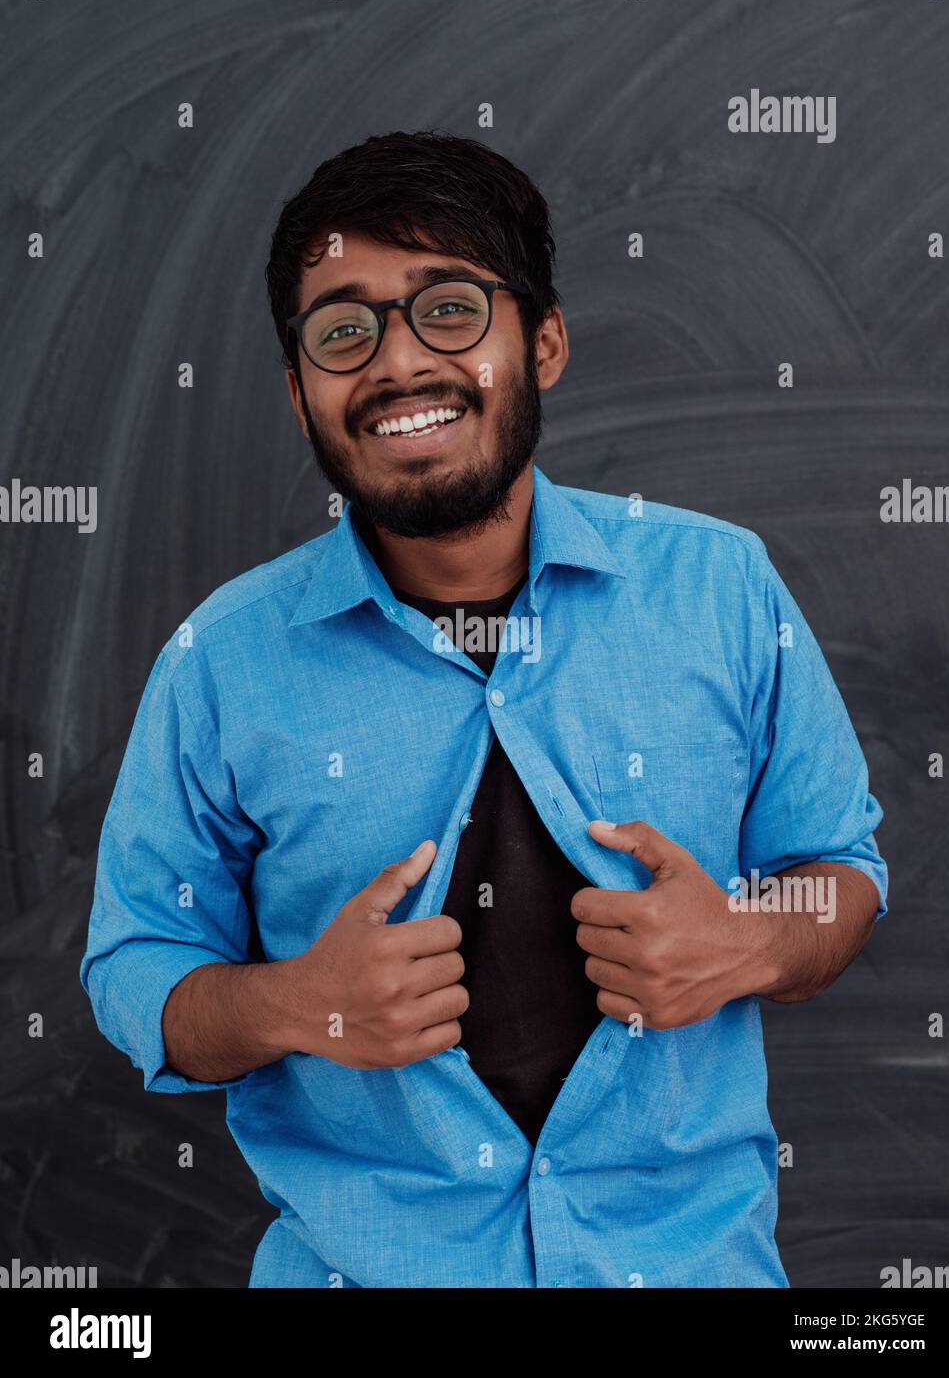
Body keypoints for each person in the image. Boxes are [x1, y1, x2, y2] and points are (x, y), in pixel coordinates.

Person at [80, 129, 888, 1289]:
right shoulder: (222, 664)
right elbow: (134, 971)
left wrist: (747, 943)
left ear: (544, 341)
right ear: (301, 388)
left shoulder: (722, 588)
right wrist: (298, 1005)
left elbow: (843, 871)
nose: (400, 363)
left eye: (449, 308)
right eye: (344, 329)